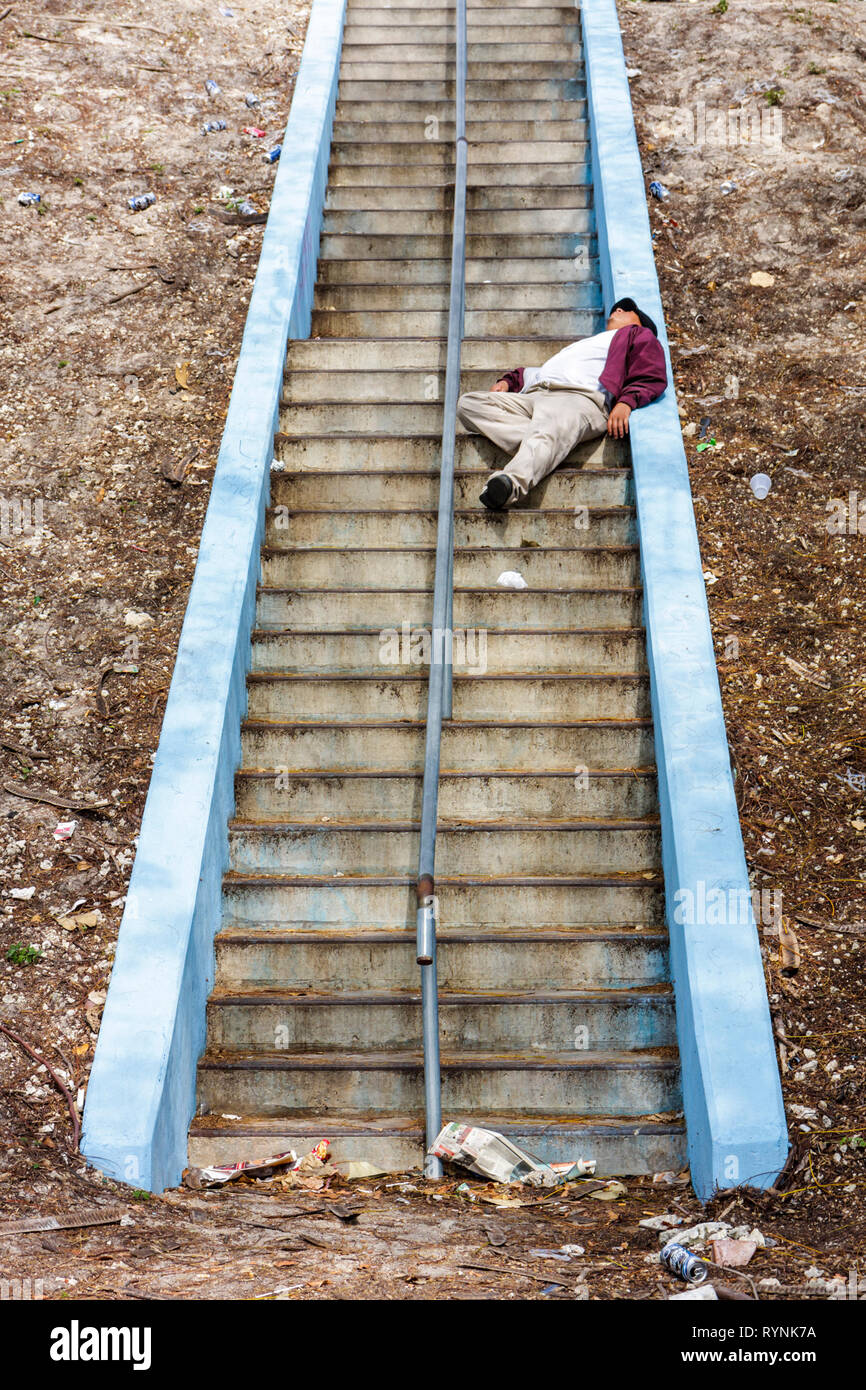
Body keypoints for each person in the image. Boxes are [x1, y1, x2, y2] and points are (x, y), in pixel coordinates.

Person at [456, 298, 668, 510]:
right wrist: (507, 381)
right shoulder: (583, 346)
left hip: (578, 398)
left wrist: (626, 402)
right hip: (537, 394)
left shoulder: (637, 335)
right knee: (469, 404)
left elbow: (651, 373)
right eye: (617, 308)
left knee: (551, 426)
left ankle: (510, 483)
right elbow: (534, 373)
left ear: (639, 323)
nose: (618, 309)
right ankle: (549, 445)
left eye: (627, 310)